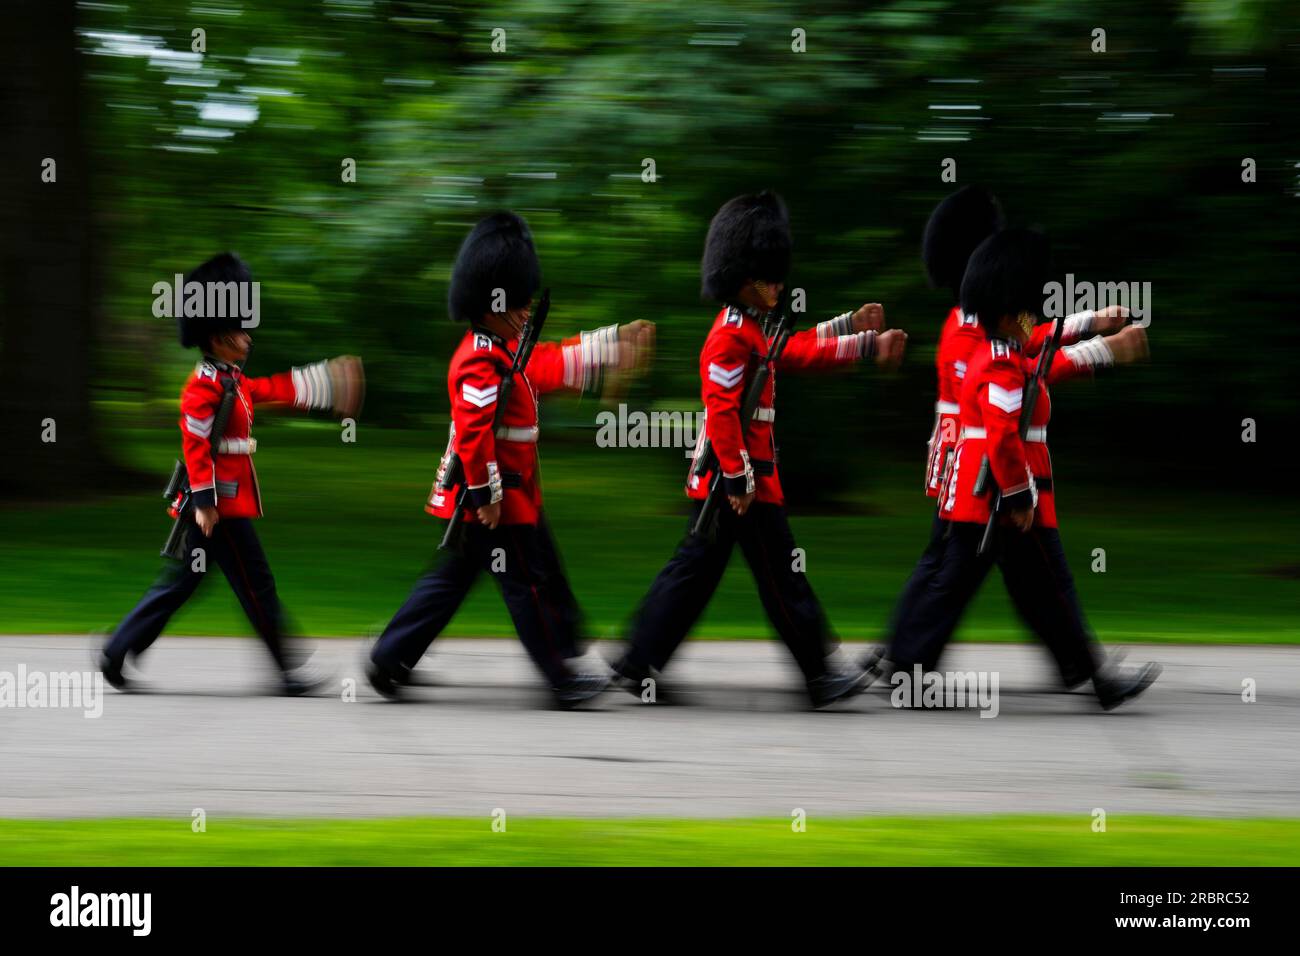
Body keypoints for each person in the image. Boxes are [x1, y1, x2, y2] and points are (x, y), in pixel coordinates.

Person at [610, 191, 907, 708]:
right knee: (781, 574)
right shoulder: (730, 335)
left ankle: (639, 660)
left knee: (695, 576)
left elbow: (796, 352)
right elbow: (723, 412)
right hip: (737, 483)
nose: (777, 284)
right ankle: (817, 673)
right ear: (741, 276)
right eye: (766, 277)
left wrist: (856, 334)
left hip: (735, 480)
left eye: (776, 275)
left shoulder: (749, 327)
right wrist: (740, 479)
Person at [366, 212, 654, 708]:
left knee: (457, 579)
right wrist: (487, 496)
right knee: (528, 584)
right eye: (517, 302)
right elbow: (475, 437)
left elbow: (547, 363)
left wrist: (612, 345)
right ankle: (560, 676)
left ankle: (391, 658)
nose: (526, 310)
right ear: (490, 301)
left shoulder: (503, 349)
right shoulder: (480, 358)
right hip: (494, 498)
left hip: (511, 492)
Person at [880, 227, 1160, 709]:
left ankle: (909, 667)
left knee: (992, 585)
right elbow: (1003, 436)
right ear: (1010, 314)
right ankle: (1096, 677)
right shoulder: (1001, 362)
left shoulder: (1003, 347)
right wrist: (1018, 496)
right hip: (999, 495)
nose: (1036, 317)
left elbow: (1042, 343)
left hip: (984, 494)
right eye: (1028, 311)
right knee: (1029, 584)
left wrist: (1091, 323)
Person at [100, 252, 364, 694]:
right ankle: (286, 670)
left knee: (184, 582)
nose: (248, 337)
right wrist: (204, 503)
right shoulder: (202, 387)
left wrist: (329, 383)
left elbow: (276, 388)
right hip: (218, 508)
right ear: (220, 337)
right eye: (240, 330)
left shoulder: (229, 380)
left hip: (223, 503)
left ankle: (117, 649)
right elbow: (196, 446)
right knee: (255, 584)